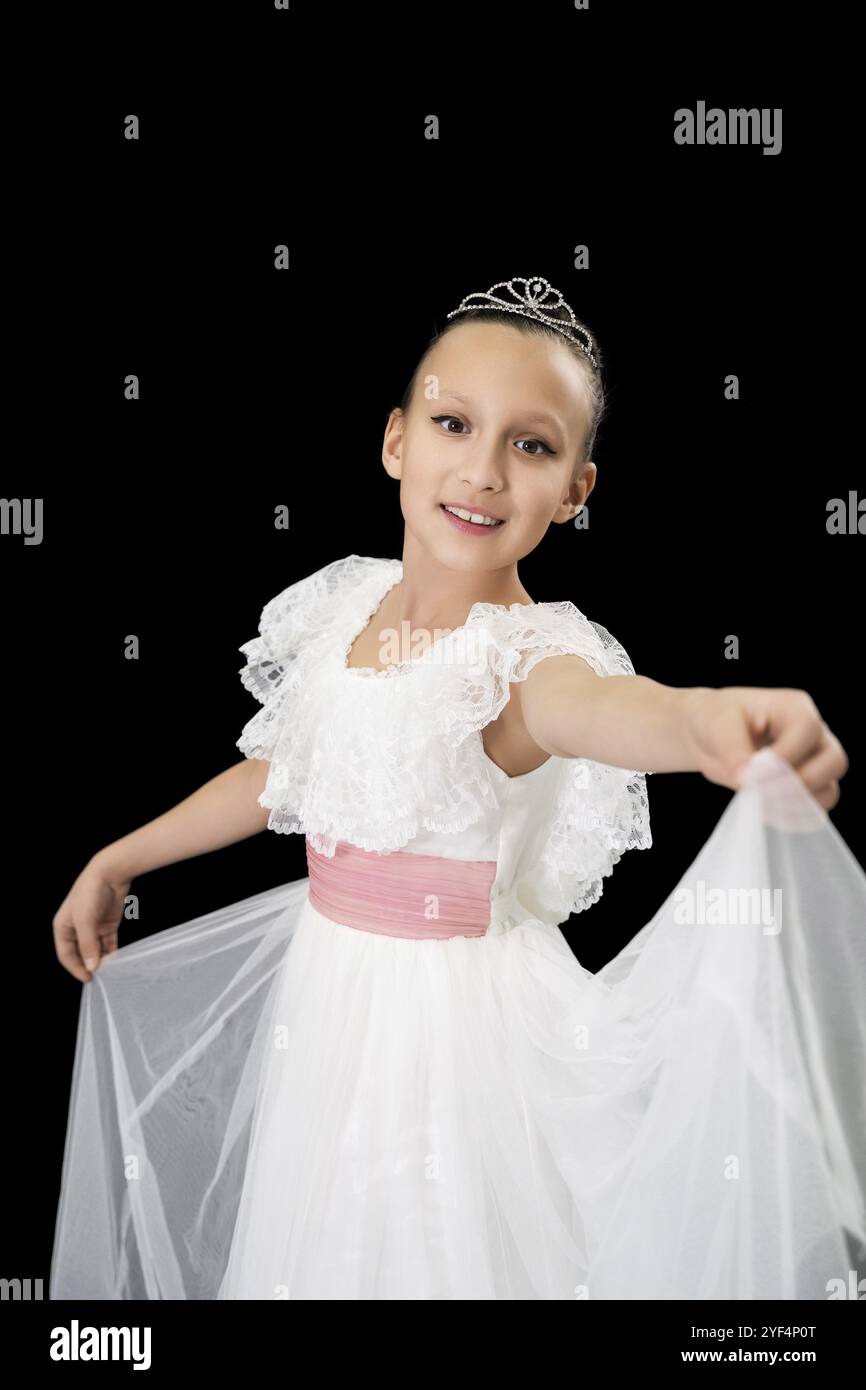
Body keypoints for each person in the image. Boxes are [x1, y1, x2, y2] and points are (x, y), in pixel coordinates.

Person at [50, 276, 866, 1300]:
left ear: (575, 490)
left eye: (531, 446)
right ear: (397, 441)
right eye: (452, 423)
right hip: (328, 997)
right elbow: (297, 770)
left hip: (441, 1040)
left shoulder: (527, 660)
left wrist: (708, 719)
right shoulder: (348, 601)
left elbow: (612, 710)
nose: (480, 471)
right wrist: (119, 856)